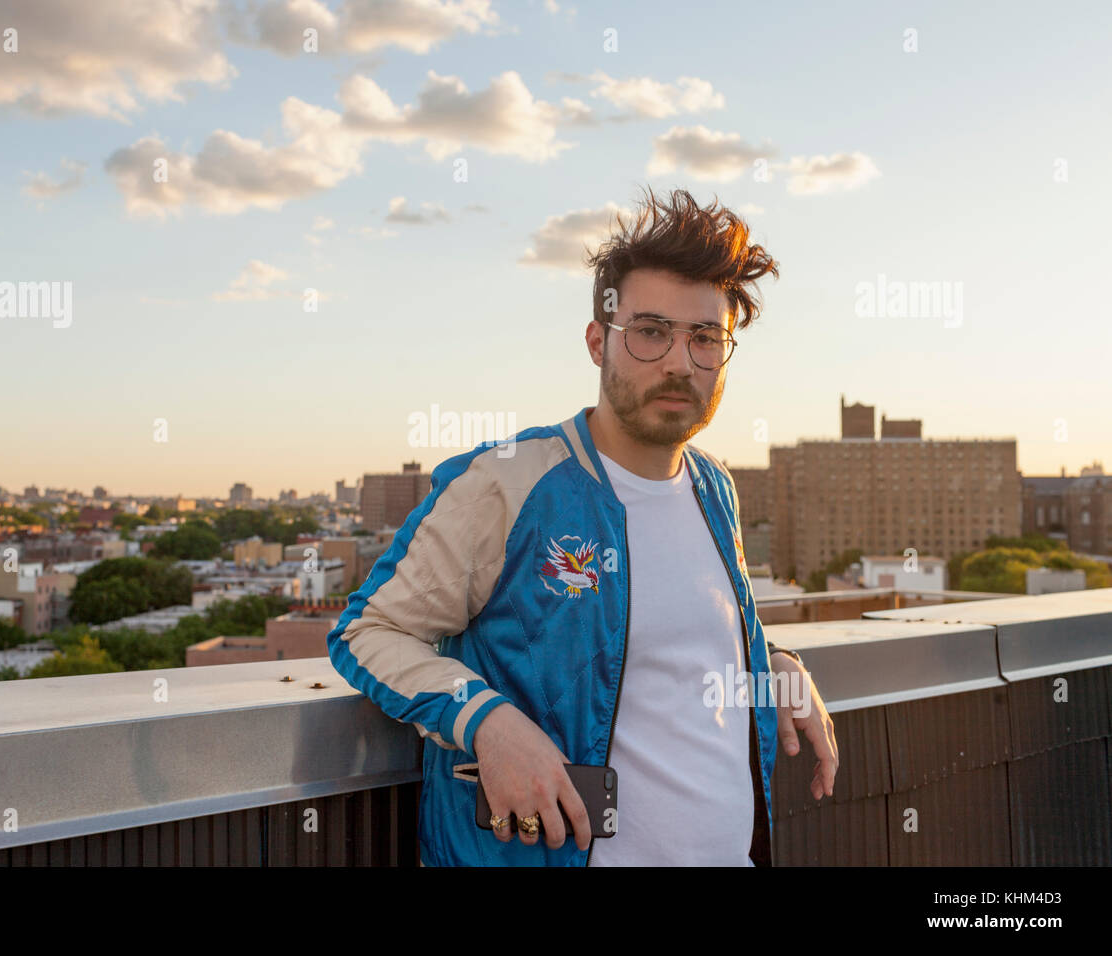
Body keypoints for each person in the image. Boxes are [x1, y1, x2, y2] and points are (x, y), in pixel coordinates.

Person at [327, 186, 839, 866]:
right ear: (599, 341)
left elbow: (681, 647)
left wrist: (774, 667)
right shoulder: (510, 483)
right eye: (651, 332)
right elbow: (369, 632)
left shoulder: (716, 488)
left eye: (704, 338)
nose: (680, 362)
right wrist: (486, 720)